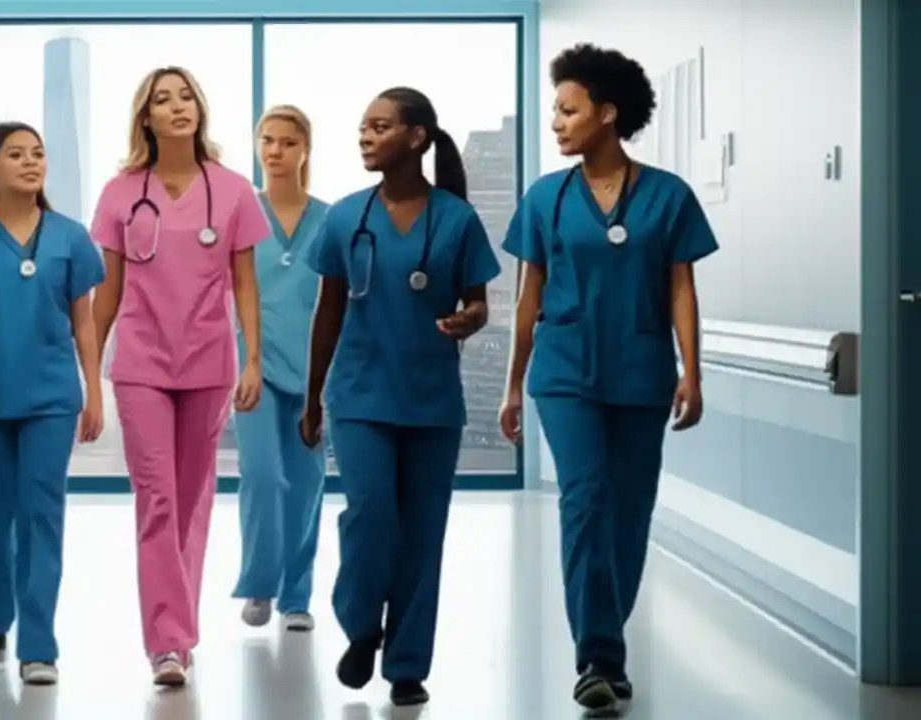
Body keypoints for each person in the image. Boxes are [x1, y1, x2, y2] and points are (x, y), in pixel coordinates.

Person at [498, 43, 717, 716]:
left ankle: (605, 641)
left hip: (641, 373)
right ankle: (598, 658)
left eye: (569, 110)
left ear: (608, 113)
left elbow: (681, 288)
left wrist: (692, 371)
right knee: (586, 500)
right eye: (555, 111)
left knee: (627, 512)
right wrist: (512, 384)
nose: (557, 123)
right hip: (564, 374)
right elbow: (527, 297)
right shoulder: (546, 198)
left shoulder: (668, 196)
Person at [299, 87, 501, 708]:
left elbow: (479, 303)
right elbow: (328, 311)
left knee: (422, 533)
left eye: (379, 126)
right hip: (360, 395)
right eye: (363, 126)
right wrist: (312, 397)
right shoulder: (346, 217)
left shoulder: (457, 219)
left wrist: (469, 319)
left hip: (431, 400)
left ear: (416, 137)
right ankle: (362, 627)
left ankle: (408, 664)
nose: (365, 136)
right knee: (370, 516)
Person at [89, 65, 268, 687]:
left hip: (209, 362)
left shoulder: (233, 189)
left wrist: (253, 357)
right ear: (146, 117)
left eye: (186, 95)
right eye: (163, 99)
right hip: (141, 363)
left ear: (200, 108)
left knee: (192, 501)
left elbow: (245, 282)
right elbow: (107, 291)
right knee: (157, 499)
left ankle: (179, 630)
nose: (177, 106)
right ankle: (167, 643)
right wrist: (88, 370)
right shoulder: (120, 192)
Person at [0, 122, 105, 686]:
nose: (30, 162)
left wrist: (94, 391)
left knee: (43, 515)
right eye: (15, 154)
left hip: (51, 398)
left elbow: (84, 322)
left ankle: (39, 644)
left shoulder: (71, 237)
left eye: (37, 154)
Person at [232, 105, 329, 633]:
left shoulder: (330, 220)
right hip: (255, 367)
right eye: (267, 140)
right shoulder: (242, 216)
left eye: (288, 142)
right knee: (263, 475)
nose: (275, 151)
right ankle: (260, 583)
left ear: (305, 149)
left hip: (314, 373)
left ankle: (296, 596)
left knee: (307, 483)